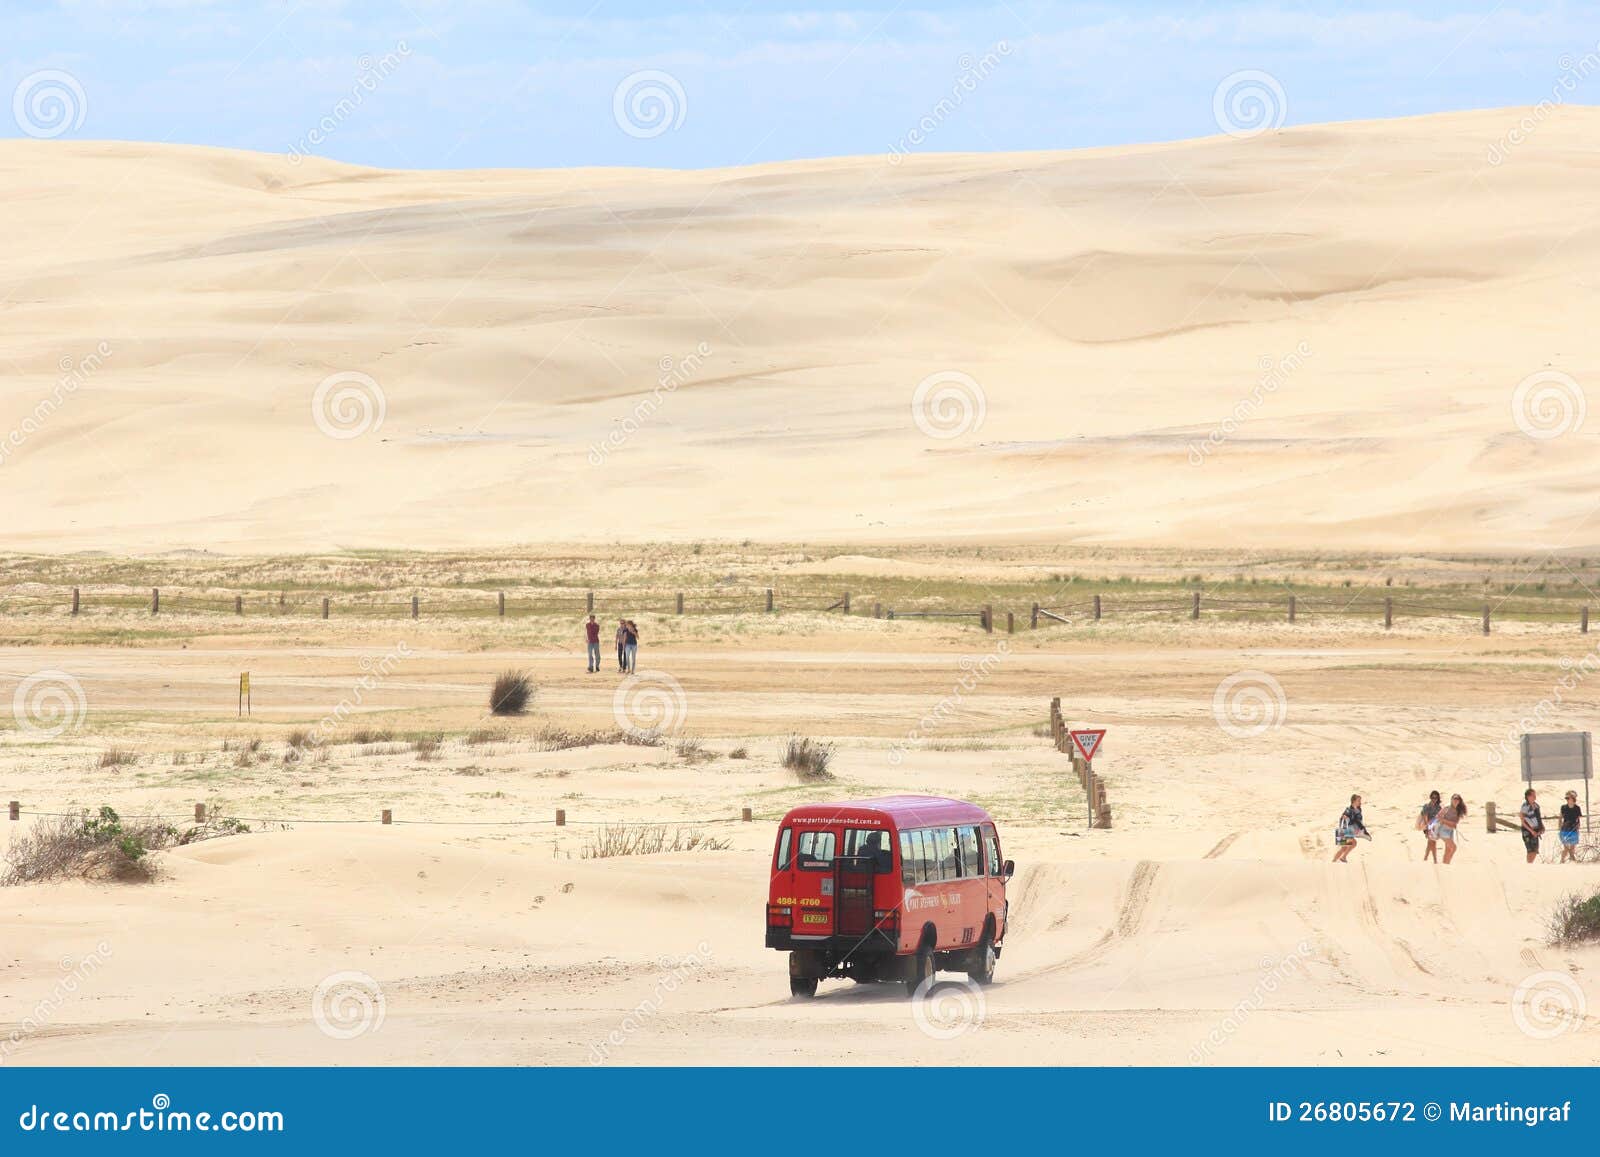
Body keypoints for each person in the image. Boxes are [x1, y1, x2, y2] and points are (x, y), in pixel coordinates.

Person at [1333, 794, 1368, 863]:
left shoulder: (1359, 810)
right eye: (1358, 800)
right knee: (1354, 843)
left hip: (1350, 831)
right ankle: (1343, 857)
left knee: (1344, 848)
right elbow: (1344, 816)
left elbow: (1358, 821)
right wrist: (1344, 817)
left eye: (1360, 800)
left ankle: (1333, 861)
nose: (1360, 802)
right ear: (1353, 801)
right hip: (1344, 830)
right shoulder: (1349, 810)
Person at [1436, 794, 1467, 864]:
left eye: (1457, 799)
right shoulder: (1447, 807)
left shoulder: (1459, 810)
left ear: (1459, 801)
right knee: (1454, 847)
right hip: (1443, 830)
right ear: (1451, 799)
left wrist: (1445, 821)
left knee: (1448, 850)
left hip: (1450, 831)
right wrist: (1447, 822)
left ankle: (1445, 866)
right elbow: (1438, 817)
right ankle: (1447, 863)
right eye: (1454, 799)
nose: (1456, 800)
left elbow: (1455, 823)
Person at [1416, 790, 1443, 863]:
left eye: (1436, 798)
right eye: (1433, 797)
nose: (1434, 799)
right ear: (1430, 797)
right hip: (1427, 825)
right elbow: (1425, 818)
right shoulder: (1426, 806)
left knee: (1430, 842)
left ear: (1438, 799)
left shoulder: (1438, 807)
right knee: (1432, 842)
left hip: (1434, 826)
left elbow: (1439, 818)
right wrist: (1428, 829)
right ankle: (1435, 860)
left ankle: (1425, 858)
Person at [1520, 788, 1545, 864]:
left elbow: (1538, 818)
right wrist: (1531, 831)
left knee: (1535, 850)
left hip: (1535, 830)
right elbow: (1523, 820)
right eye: (1533, 795)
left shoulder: (1536, 805)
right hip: (1527, 830)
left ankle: (1529, 864)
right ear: (1528, 796)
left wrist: (1542, 827)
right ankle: (1528, 865)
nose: (1534, 797)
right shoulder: (1525, 806)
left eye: (1535, 795)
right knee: (1530, 850)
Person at [1559, 791, 1583, 863]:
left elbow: (1578, 819)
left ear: (1573, 798)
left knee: (1572, 848)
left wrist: (1578, 828)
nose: (1567, 799)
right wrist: (1560, 828)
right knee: (1566, 848)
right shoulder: (1563, 807)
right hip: (1565, 829)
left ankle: (1572, 860)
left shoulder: (1577, 808)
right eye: (1566, 798)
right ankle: (1562, 861)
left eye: (1568, 798)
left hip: (1574, 829)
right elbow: (1560, 818)